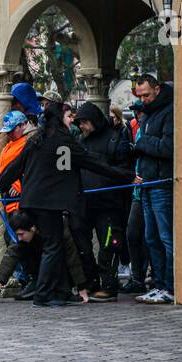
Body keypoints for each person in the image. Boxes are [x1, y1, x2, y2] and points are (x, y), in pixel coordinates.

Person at [0, 91, 133, 307]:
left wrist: (1, 186)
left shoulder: (37, 140)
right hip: (49, 204)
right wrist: (128, 175)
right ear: (60, 119)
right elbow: (92, 163)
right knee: (53, 245)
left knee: (53, 244)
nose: (73, 120)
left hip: (31, 201)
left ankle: (58, 292)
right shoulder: (64, 142)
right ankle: (42, 294)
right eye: (68, 117)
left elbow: (16, 166)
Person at [73, 101, 133, 300]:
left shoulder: (115, 140)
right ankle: (91, 283)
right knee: (83, 246)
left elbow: (126, 171)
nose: (81, 126)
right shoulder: (80, 141)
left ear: (94, 121)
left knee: (109, 245)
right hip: (84, 203)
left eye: (84, 122)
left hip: (108, 203)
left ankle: (108, 285)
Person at [0, 211, 89, 304]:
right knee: (20, 248)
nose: (19, 238)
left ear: (33, 228)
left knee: (56, 254)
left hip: (61, 264)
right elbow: (11, 255)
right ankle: (36, 281)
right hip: (38, 261)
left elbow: (71, 256)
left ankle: (63, 290)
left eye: (21, 234)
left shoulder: (57, 226)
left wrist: (81, 288)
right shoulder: (23, 233)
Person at [132, 74, 176, 305]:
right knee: (151, 238)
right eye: (140, 96)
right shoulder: (148, 114)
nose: (143, 100)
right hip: (148, 183)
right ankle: (158, 285)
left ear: (157, 89)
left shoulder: (169, 111)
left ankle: (170, 287)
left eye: (146, 95)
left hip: (162, 184)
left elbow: (168, 147)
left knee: (166, 237)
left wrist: (142, 143)